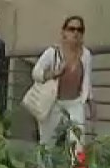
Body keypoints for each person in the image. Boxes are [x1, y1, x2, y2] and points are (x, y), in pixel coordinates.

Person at [31, 15, 95, 147]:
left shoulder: (86, 55)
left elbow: (87, 80)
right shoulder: (52, 53)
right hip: (54, 103)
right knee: (47, 143)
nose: (75, 33)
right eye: (72, 29)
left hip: (75, 103)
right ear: (64, 32)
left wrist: (91, 103)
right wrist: (54, 73)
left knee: (78, 143)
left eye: (80, 30)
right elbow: (36, 73)